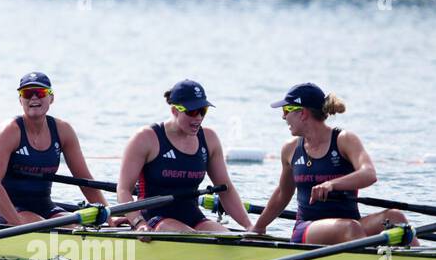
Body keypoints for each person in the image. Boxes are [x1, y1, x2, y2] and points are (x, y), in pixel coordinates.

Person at [252, 83, 411, 244]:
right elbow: (283, 193)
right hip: (308, 228)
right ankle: (373, 258)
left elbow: (369, 174)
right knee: (349, 228)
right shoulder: (290, 149)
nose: (283, 116)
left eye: (286, 110)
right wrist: (258, 227)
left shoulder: (344, 140)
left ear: (302, 113)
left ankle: (416, 259)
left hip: (352, 225)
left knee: (396, 218)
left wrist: (331, 185)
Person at [114, 79, 252, 233]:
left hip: (194, 217)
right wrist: (138, 222)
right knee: (192, 237)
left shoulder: (209, 139)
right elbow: (123, 189)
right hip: (154, 220)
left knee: (225, 236)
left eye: (203, 111)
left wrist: (249, 226)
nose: (198, 117)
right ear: (175, 110)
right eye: (192, 112)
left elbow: (226, 189)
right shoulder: (145, 138)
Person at [0, 72, 108, 225]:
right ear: (20, 100)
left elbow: (85, 181)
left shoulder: (63, 131)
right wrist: (19, 226)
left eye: (40, 92)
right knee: (41, 225)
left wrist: (109, 216)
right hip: (3, 208)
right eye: (27, 93)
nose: (34, 98)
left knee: (73, 226)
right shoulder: (8, 132)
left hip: (43, 206)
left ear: (51, 98)